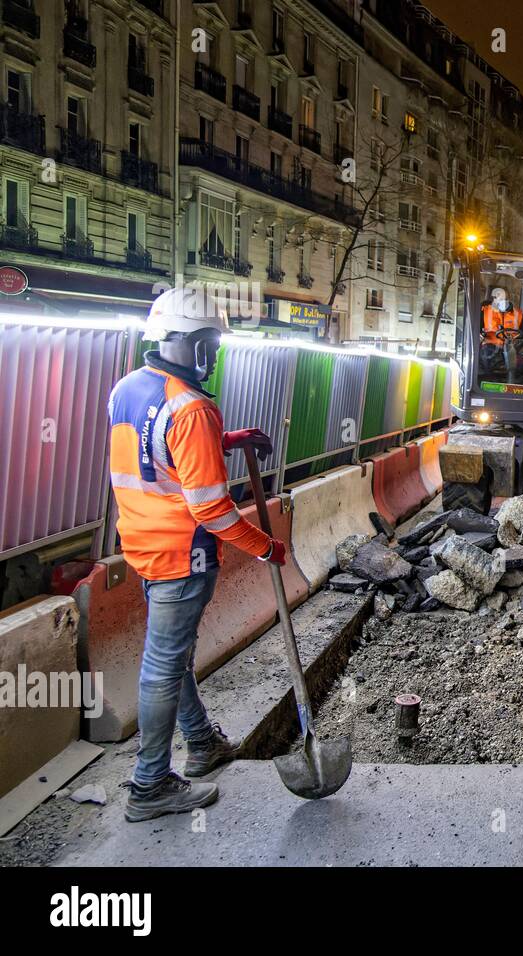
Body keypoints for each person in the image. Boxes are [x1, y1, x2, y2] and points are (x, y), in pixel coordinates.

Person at [107, 287, 287, 822]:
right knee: (164, 666)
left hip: (141, 544)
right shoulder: (193, 407)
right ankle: (150, 785)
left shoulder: (128, 389)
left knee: (172, 657)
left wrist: (224, 440)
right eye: (207, 343)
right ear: (182, 343)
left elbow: (155, 455)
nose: (212, 355)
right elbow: (211, 509)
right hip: (184, 555)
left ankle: (202, 743)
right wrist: (265, 547)